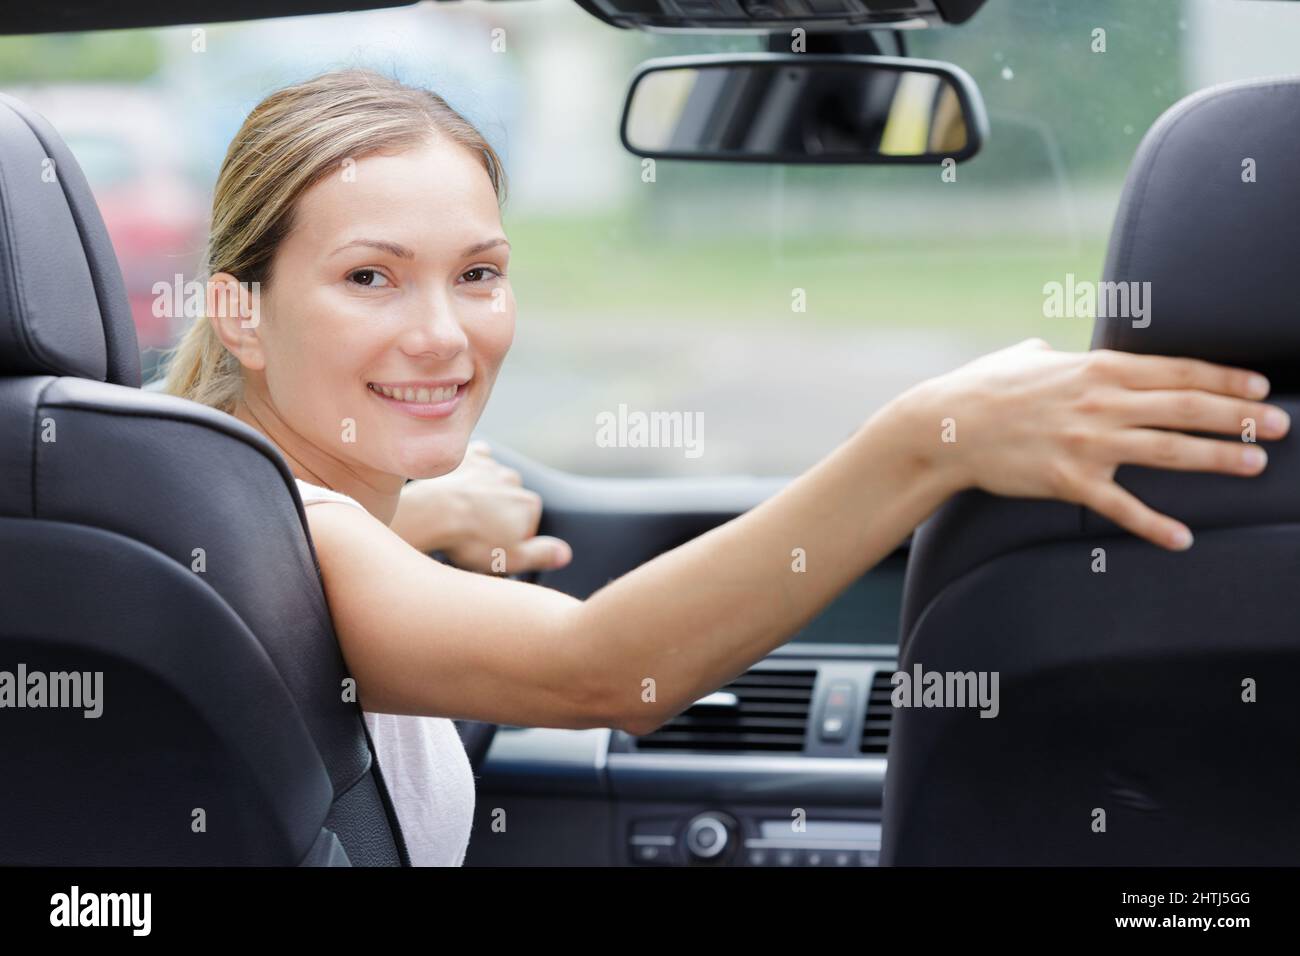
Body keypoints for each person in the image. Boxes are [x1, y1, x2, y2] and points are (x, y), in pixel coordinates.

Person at [164, 69, 1291, 865]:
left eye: (477, 272)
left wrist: (414, 517)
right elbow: (603, 673)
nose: (444, 336)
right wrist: (926, 435)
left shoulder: (218, 516)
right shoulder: (303, 532)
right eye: (370, 277)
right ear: (241, 312)